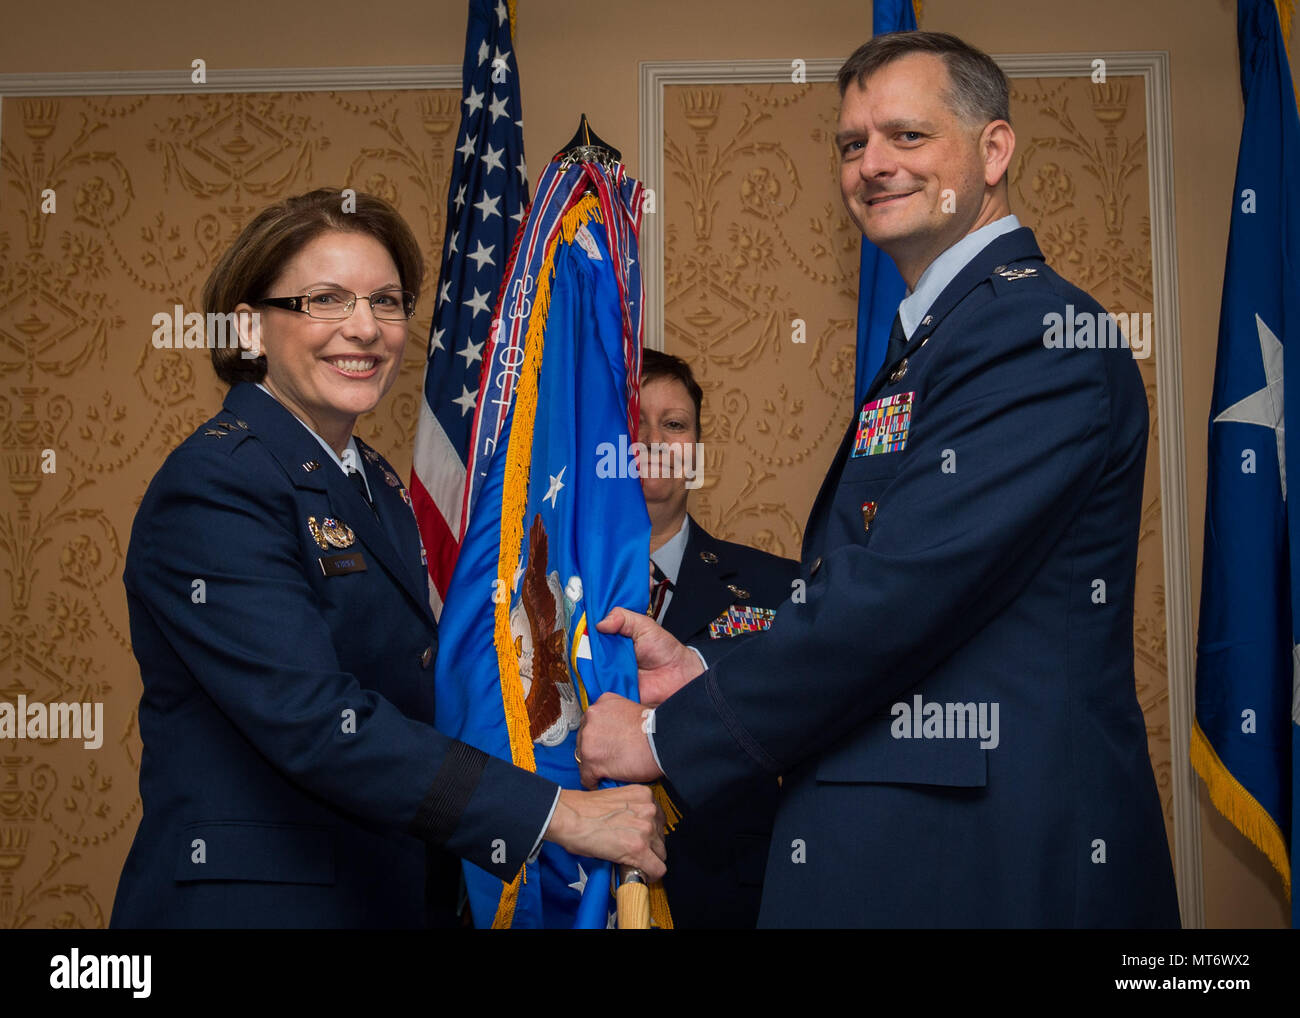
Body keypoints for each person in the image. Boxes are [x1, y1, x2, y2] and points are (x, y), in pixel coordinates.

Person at [578, 32, 1180, 928]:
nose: (873, 165)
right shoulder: (950, 331)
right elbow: (896, 583)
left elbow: (901, 593)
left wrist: (666, 736)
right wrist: (706, 662)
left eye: (907, 136)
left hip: (989, 857)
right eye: (853, 144)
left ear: (994, 149)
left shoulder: (1030, 333)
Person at [111, 189, 664, 929]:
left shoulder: (373, 483)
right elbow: (314, 719)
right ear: (248, 326)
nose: (364, 328)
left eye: (386, 301)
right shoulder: (218, 483)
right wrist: (557, 814)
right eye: (326, 301)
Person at [638, 348, 798, 928]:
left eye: (673, 425)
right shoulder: (542, 587)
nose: (653, 440)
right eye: (633, 423)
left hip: (727, 898)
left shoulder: (779, 587)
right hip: (569, 889)